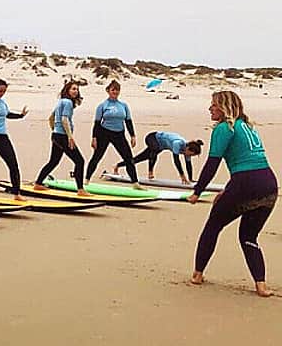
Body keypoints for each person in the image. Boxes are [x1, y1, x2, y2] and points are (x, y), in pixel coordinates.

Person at [187, 91, 276, 297]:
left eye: (214, 105)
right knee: (249, 236)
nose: (210, 108)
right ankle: (261, 285)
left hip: (245, 184)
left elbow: (212, 163)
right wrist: (228, 190)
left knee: (213, 226)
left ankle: (198, 275)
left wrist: (197, 192)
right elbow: (248, 165)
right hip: (269, 185)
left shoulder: (224, 128)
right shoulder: (248, 127)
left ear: (225, 107)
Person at [33, 80, 90, 196]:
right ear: (67, 90)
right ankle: (80, 190)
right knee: (79, 161)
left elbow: (51, 118)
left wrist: (55, 131)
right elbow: (64, 120)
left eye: (77, 89)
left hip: (56, 136)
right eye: (73, 89)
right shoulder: (68, 103)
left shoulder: (61, 102)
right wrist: (70, 137)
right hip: (63, 137)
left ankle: (38, 183)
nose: (76, 91)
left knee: (53, 161)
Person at [84, 80, 143, 188]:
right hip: (104, 133)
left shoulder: (123, 105)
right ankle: (86, 180)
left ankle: (135, 183)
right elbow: (97, 123)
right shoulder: (102, 105)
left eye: (117, 90)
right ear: (108, 91)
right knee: (96, 157)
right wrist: (94, 138)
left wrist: (133, 136)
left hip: (119, 134)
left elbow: (128, 121)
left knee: (129, 158)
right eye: (113, 90)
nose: (115, 92)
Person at [115, 131, 203, 183]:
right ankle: (150, 172)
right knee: (154, 151)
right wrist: (182, 176)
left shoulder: (187, 151)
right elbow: (176, 161)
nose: (190, 156)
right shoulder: (178, 143)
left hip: (159, 145)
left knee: (138, 159)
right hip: (152, 137)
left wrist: (190, 179)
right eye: (191, 154)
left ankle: (117, 166)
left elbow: (188, 165)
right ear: (188, 149)